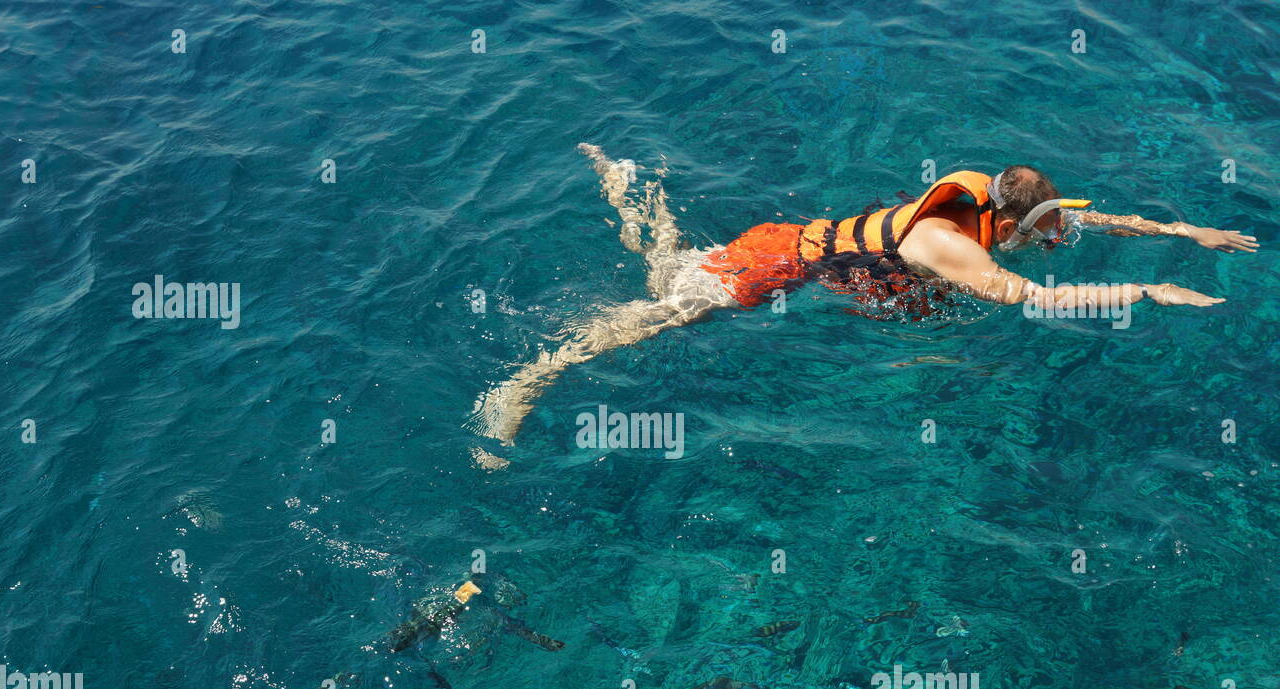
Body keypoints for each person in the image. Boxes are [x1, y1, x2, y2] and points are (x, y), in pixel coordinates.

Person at [469, 144, 1256, 454]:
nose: (1052, 242)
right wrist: (1150, 286)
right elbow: (1036, 301)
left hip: (798, 244)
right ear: (1005, 220)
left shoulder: (1001, 193)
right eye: (1039, 236)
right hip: (772, 267)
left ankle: (625, 184)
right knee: (657, 318)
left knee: (671, 268)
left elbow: (1085, 214)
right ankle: (522, 386)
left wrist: (1187, 231)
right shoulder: (946, 244)